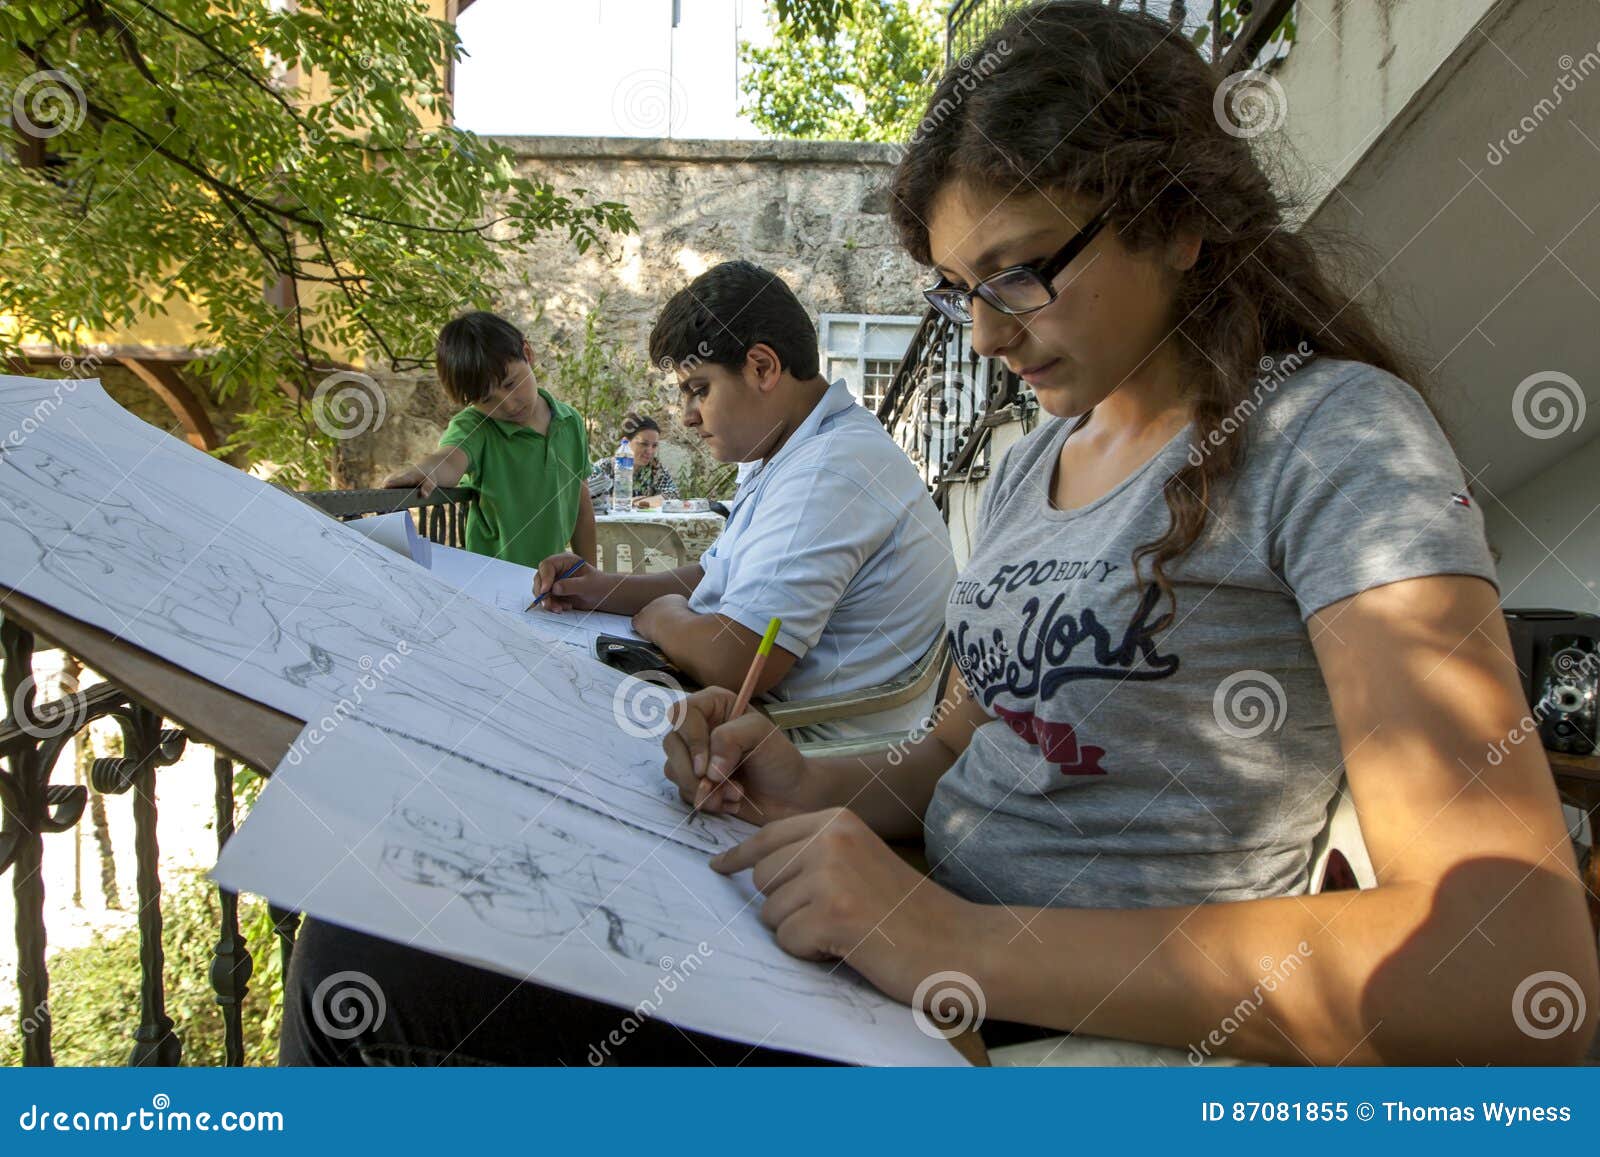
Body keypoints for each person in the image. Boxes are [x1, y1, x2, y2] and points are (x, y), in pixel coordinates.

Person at [283, 2, 1596, 1067]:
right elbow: (964, 752)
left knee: (390, 979)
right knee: (376, 924)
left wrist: (943, 939)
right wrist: (808, 785)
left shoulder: (1333, 440)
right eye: (959, 290)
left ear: (1184, 219)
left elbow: (1515, 967)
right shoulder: (1034, 466)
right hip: (899, 956)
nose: (983, 333)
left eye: (1021, 270)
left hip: (1036, 1014)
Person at [534, 260, 955, 743]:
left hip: (805, 748)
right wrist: (598, 587)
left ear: (762, 367)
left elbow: (733, 659)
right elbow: (718, 575)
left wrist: (660, 616)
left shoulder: (829, 469)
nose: (688, 417)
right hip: (760, 718)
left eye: (699, 391)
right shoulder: (786, 449)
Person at [381, 311, 596, 568]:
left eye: (510, 384)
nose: (507, 404)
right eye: (486, 400)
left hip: (547, 578)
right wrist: (427, 470)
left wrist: (592, 576)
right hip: (489, 577)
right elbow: (450, 460)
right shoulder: (476, 426)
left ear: (528, 354)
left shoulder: (570, 422)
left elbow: (582, 509)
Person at [587, 415, 680, 509]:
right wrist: (631, 501)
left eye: (654, 445)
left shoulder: (655, 468)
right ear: (626, 442)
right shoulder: (603, 468)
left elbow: (673, 495)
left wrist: (638, 502)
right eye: (644, 444)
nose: (650, 451)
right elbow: (585, 498)